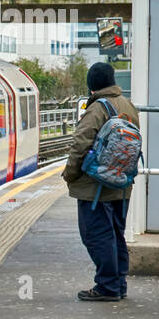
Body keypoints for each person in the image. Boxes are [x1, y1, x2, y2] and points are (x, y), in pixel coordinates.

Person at [62, 62, 139, 302]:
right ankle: (119, 284)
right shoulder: (128, 105)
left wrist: (70, 174)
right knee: (116, 234)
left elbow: (80, 144)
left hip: (95, 186)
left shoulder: (96, 108)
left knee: (97, 235)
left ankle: (107, 287)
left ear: (92, 85)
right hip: (122, 183)